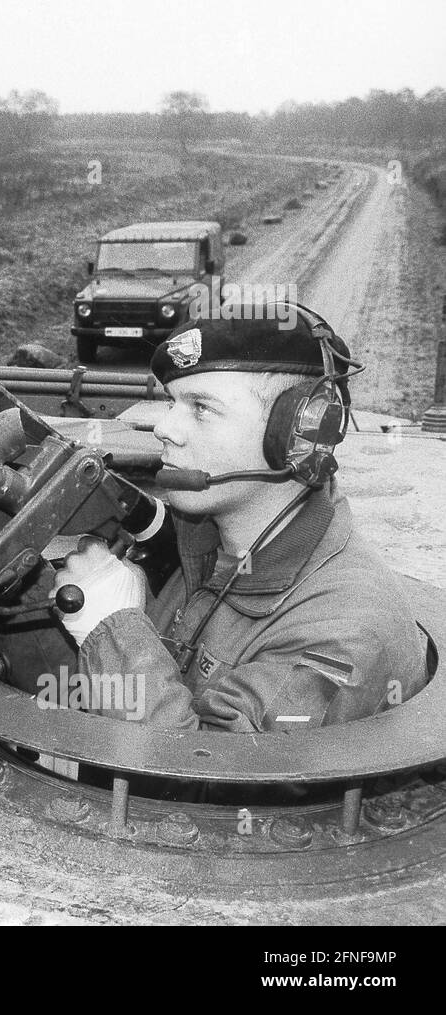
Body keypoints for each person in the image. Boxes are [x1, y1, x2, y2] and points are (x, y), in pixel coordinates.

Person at [51, 307, 430, 732]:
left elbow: (200, 766)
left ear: (299, 433)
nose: (164, 427)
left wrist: (114, 630)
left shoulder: (344, 635)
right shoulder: (206, 538)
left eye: (201, 408)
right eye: (172, 402)